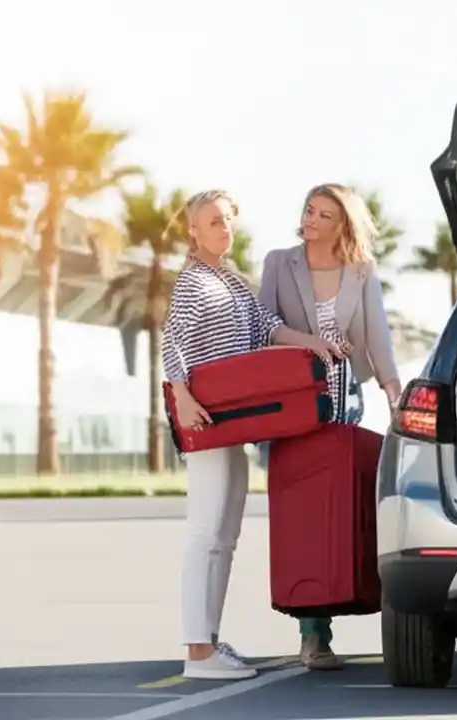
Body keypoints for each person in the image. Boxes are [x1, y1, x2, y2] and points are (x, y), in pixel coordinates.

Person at [164, 189, 345, 681]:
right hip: (205, 418)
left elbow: (268, 327)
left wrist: (314, 344)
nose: (223, 228)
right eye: (212, 221)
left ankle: (209, 642)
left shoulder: (233, 281)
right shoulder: (192, 281)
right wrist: (181, 397)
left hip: (235, 419)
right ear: (193, 231)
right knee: (206, 532)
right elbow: (172, 341)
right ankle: (198, 651)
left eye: (227, 220)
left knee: (224, 535)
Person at [258, 182, 403, 670]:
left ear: (343, 224)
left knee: (344, 511)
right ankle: (313, 636)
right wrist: (311, 343)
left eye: (324, 214)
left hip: (345, 398)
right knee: (303, 517)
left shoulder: (360, 271)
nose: (311, 220)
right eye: (308, 210)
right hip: (293, 401)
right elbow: (265, 326)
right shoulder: (280, 262)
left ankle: (359, 603)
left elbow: (377, 334)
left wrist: (392, 389)